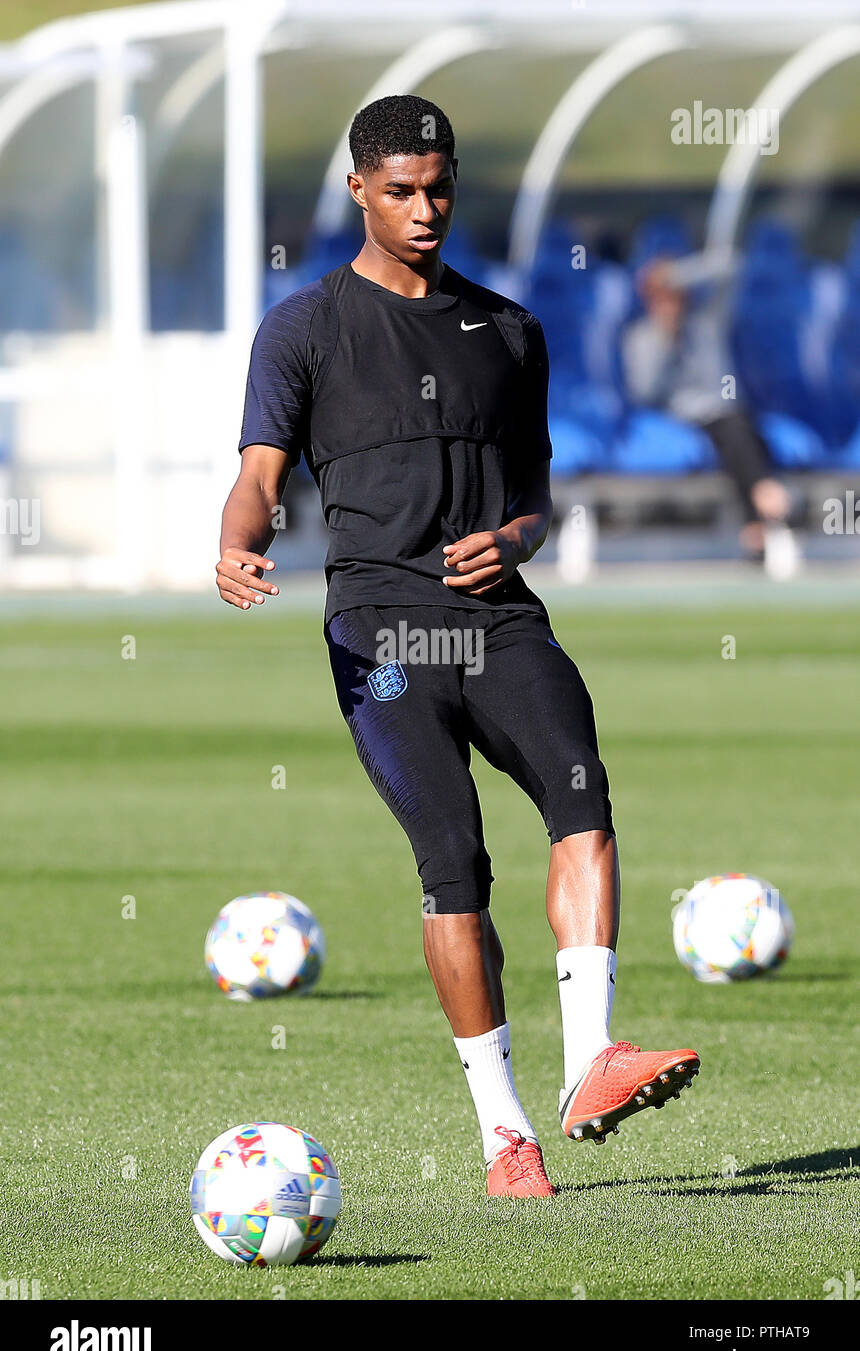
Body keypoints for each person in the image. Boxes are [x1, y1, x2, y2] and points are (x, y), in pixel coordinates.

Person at [216, 95, 699, 1197]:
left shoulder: (509, 329)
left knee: (583, 799)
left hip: (500, 621)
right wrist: (236, 546)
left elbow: (534, 497)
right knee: (454, 869)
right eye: (400, 191)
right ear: (358, 192)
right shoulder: (304, 328)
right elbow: (257, 478)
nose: (424, 209)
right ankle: (504, 1137)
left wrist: (515, 536)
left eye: (438, 188)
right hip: (379, 633)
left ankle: (591, 1064)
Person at [623, 255, 800, 577]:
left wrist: (677, 274)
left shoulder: (706, 324)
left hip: (728, 413)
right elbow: (644, 392)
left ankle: (755, 527)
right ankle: (764, 498)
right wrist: (666, 339)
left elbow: (730, 267)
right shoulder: (641, 337)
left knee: (738, 428)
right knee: (736, 431)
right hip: (681, 418)